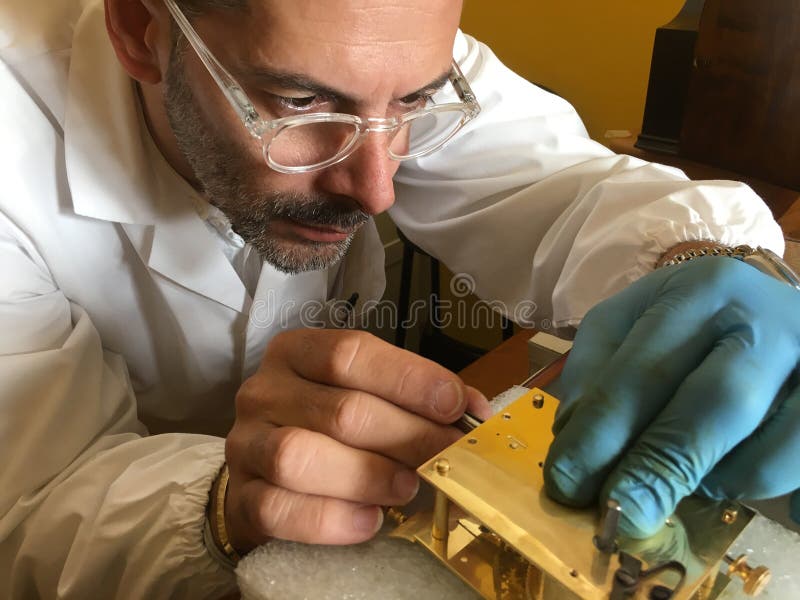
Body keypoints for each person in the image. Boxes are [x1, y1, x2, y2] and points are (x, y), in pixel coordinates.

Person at [1, 0, 797, 597]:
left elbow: (567, 190)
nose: (378, 189)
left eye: (413, 105)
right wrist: (221, 504)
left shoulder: (376, 46)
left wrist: (706, 269)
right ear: (142, 27)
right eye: (302, 105)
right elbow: (29, 506)